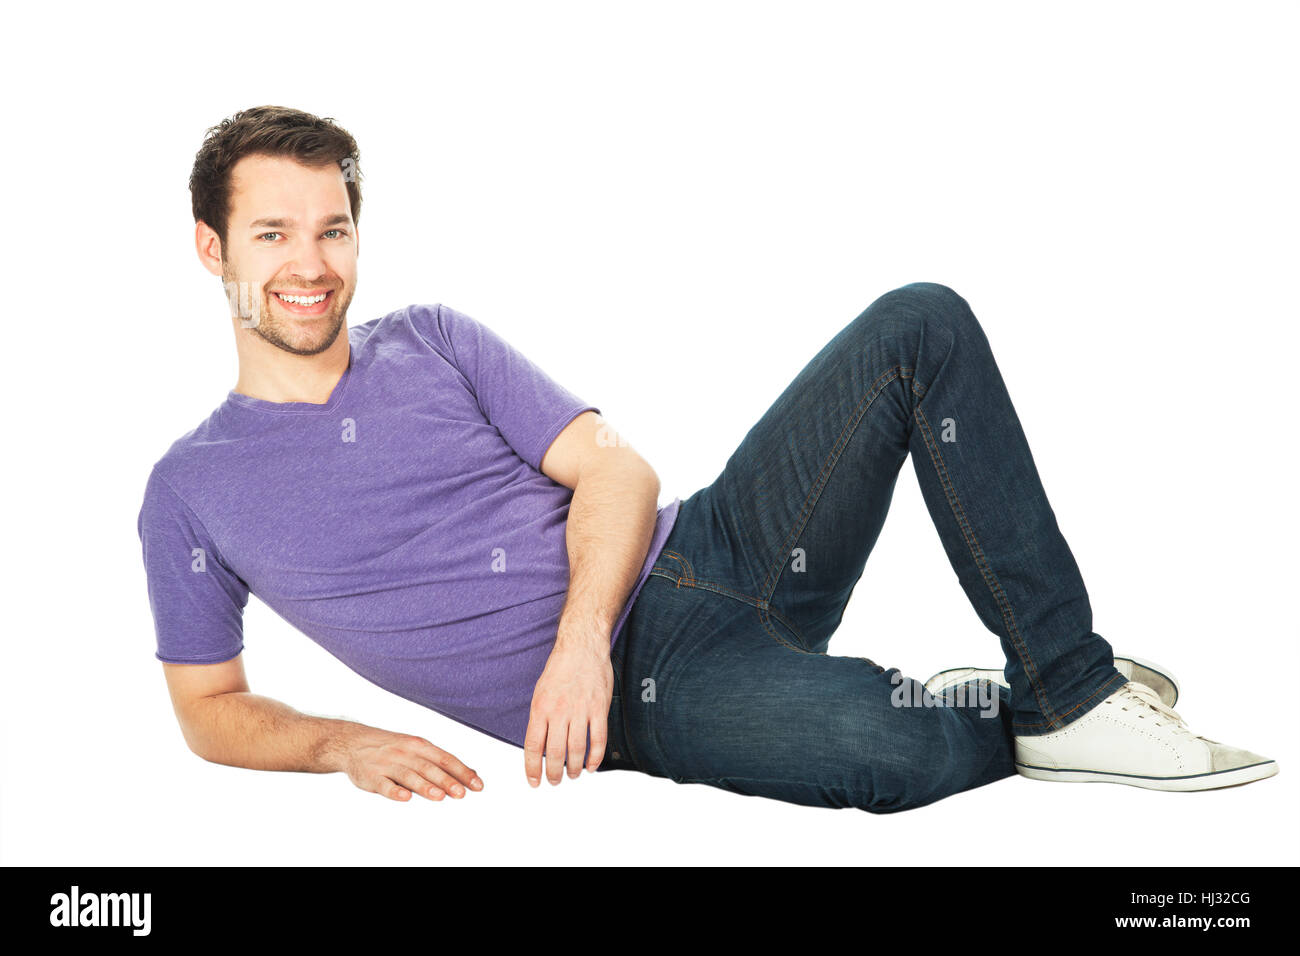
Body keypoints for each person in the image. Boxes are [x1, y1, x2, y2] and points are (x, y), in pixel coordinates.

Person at [138, 105, 1277, 814]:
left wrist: (576, 639)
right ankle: (995, 699)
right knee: (884, 751)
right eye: (273, 232)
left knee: (917, 325)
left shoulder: (430, 336)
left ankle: (1067, 685)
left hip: (718, 545)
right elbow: (208, 704)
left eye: (332, 227)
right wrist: (340, 742)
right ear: (212, 247)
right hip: (655, 695)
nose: (311, 263)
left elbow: (619, 472)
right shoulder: (192, 491)